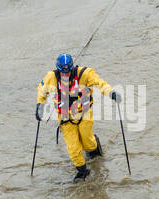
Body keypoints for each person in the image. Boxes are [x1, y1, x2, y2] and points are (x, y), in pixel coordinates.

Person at [36, 53, 121, 182]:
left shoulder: (85, 74)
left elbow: (100, 83)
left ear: (72, 68)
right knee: (73, 148)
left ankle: (94, 148)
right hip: (65, 118)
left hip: (84, 113)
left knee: (88, 142)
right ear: (58, 70)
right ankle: (82, 171)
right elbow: (42, 90)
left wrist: (111, 92)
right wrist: (40, 105)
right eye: (62, 73)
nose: (65, 75)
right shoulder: (51, 77)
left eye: (68, 72)